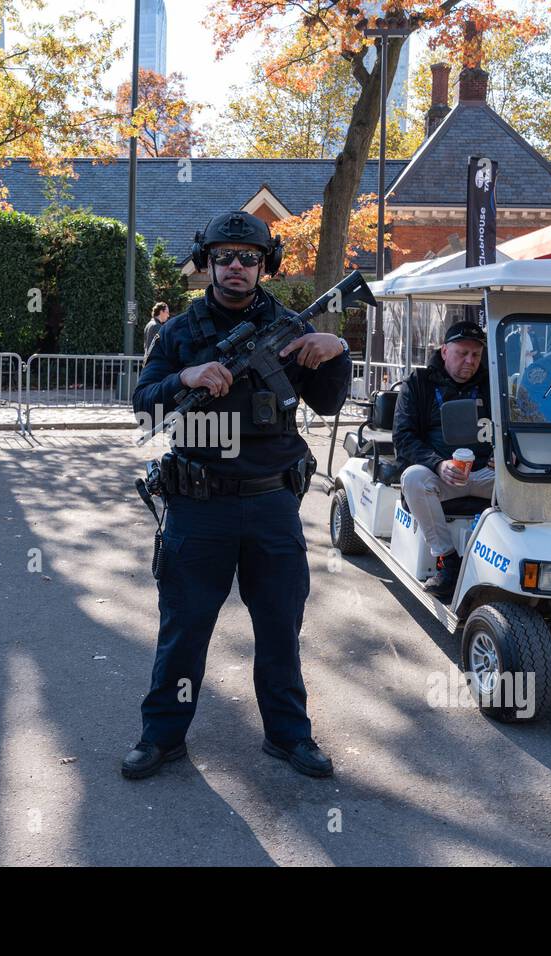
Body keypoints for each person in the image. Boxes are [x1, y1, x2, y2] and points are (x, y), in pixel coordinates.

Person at [124, 210, 350, 781]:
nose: (236, 267)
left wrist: (334, 349)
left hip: (273, 503)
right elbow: (143, 409)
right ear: (207, 263)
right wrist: (186, 379)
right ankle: (162, 737)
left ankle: (289, 735)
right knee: (184, 625)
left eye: (248, 258)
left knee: (280, 625)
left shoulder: (292, 328)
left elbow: (326, 403)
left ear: (264, 265)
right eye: (224, 256)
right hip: (198, 506)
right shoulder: (179, 332)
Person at [392, 321, 494, 600]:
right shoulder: (418, 384)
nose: (470, 361)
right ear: (445, 351)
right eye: (462, 353)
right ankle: (447, 561)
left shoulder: (493, 383)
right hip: (440, 475)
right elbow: (403, 437)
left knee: (528, 478)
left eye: (476, 355)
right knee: (413, 478)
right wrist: (438, 464)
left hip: (487, 473)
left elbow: (520, 424)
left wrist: (506, 454)